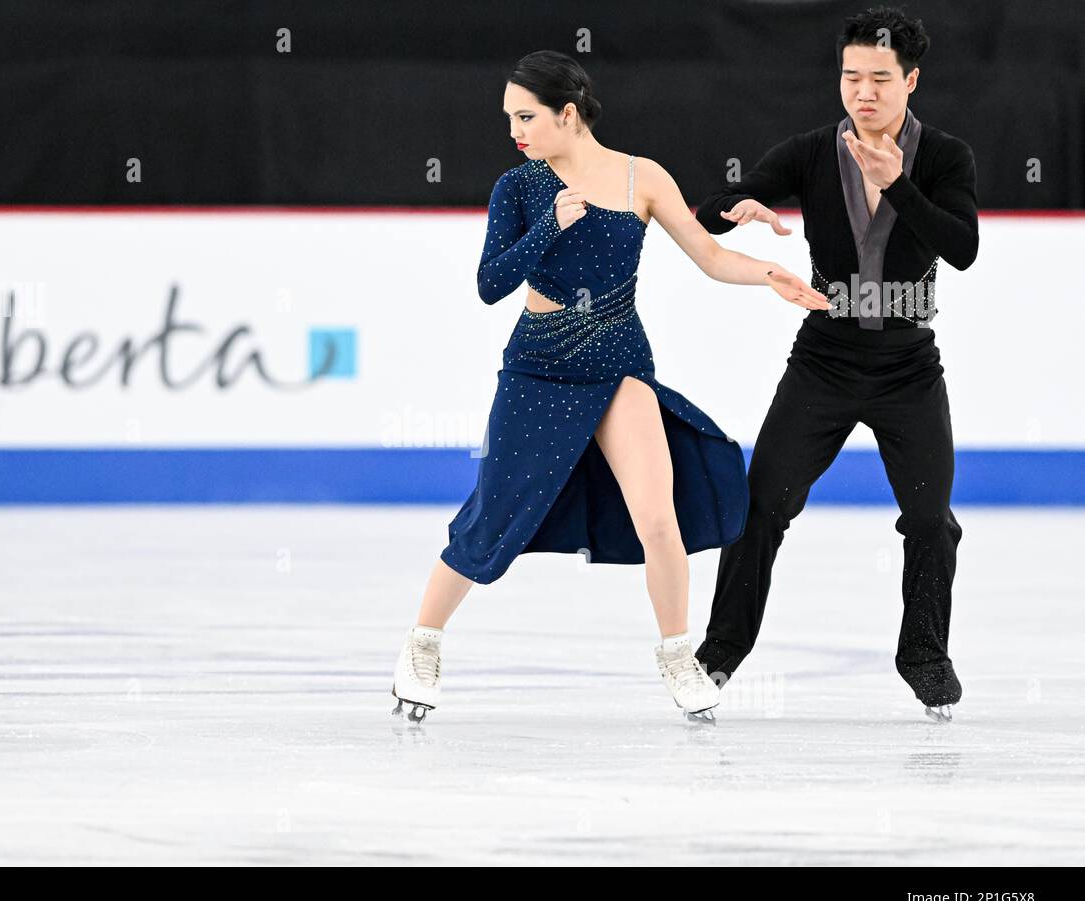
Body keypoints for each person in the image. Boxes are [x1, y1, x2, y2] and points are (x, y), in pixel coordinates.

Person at [390, 50, 831, 723]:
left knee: (660, 516)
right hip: (538, 368)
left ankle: (678, 657)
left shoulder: (641, 177)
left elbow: (710, 256)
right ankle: (422, 644)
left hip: (619, 364)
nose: (516, 130)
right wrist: (549, 226)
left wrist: (771, 277)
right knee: (493, 518)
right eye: (511, 118)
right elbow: (490, 285)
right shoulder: (520, 187)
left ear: (568, 114)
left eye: (527, 116)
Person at [691, 5, 979, 722]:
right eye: (852, 77)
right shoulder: (813, 151)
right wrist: (740, 205)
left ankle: (924, 656)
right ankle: (718, 657)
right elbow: (716, 203)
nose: (864, 92)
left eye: (880, 78)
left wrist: (899, 185)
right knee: (762, 506)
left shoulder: (945, 156)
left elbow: (964, 248)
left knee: (930, 521)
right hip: (823, 361)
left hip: (909, 366)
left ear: (911, 81)